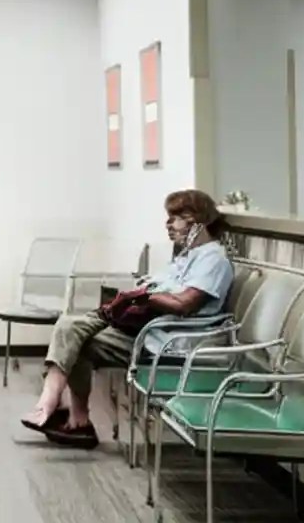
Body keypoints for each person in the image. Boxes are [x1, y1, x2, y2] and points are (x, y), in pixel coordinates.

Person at [18, 189, 234, 447]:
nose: (168, 224)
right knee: (68, 326)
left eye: (176, 218)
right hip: (147, 330)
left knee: (75, 339)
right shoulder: (185, 257)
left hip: (168, 343)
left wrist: (141, 299)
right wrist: (136, 297)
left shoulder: (213, 260)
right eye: (169, 217)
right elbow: (158, 289)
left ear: (198, 222)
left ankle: (72, 417)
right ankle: (54, 404)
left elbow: (184, 304)